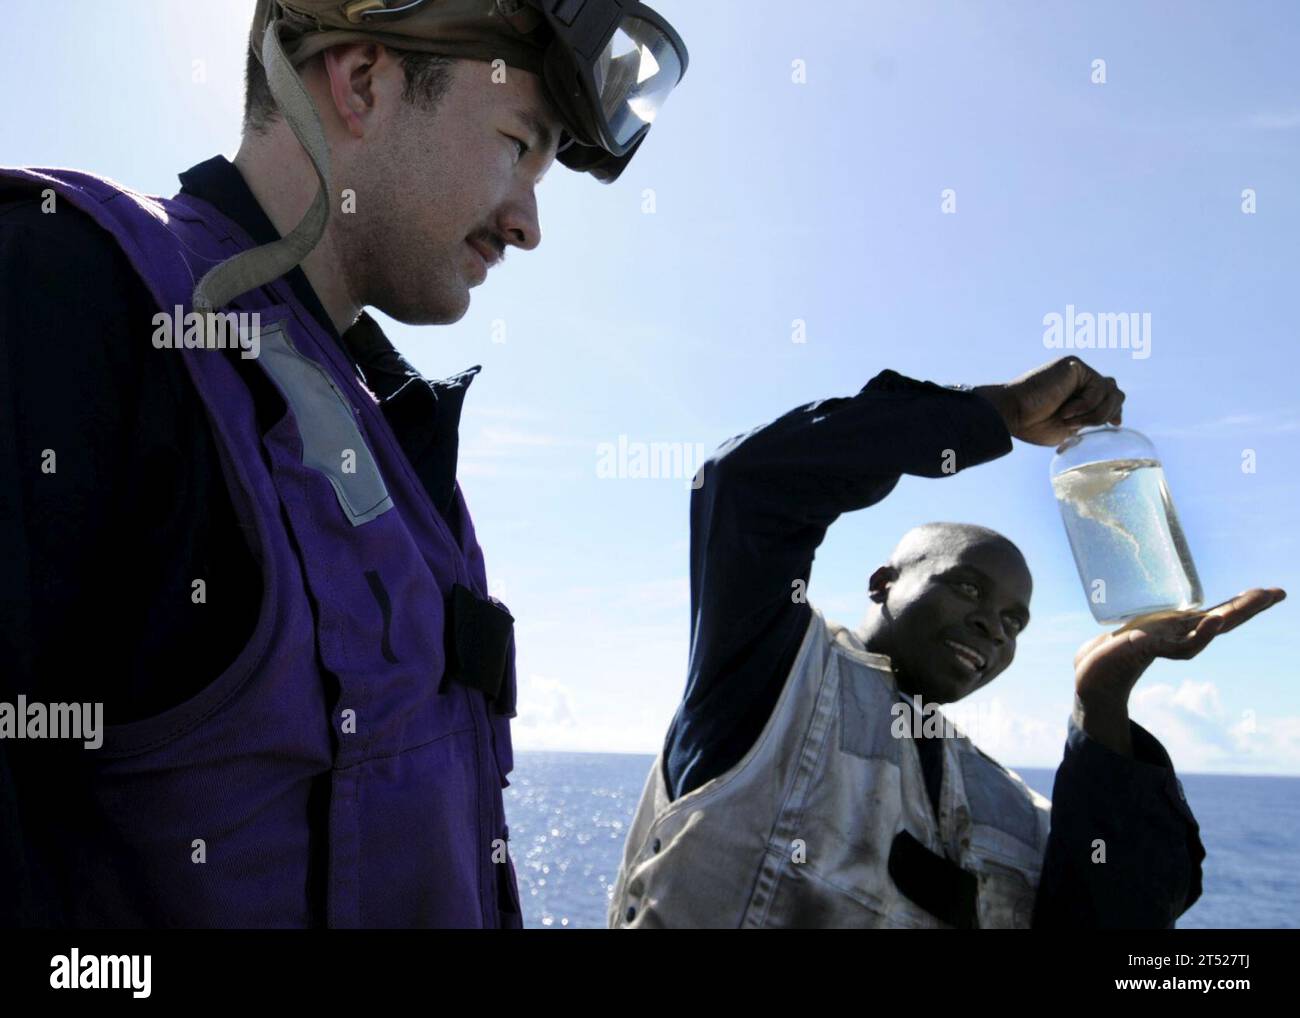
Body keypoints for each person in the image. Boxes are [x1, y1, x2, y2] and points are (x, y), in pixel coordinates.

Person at [0, 0, 687, 927]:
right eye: (519, 143)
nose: (529, 223)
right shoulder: (70, 292)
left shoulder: (388, 434)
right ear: (364, 82)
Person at [608, 357, 1285, 928]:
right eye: (967, 589)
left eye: (1016, 622)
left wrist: (1102, 697)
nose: (995, 624)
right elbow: (751, 485)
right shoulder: (770, 673)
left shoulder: (1006, 803)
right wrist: (1002, 412)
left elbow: (1118, 915)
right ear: (883, 583)